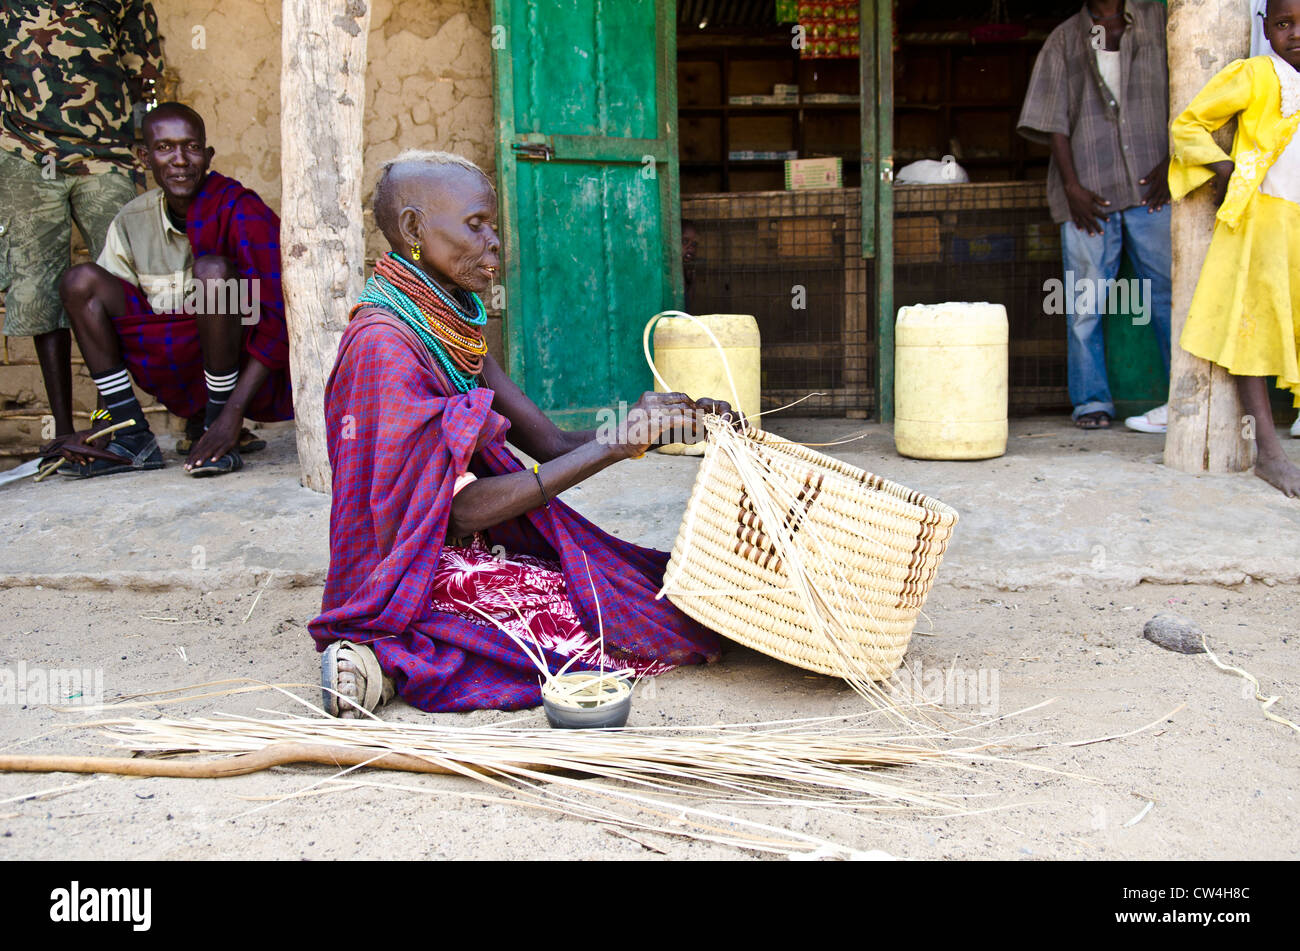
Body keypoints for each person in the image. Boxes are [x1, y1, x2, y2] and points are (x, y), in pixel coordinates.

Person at [310, 150, 729, 715]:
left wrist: (643, 421)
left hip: (466, 542)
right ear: (413, 228)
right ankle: (380, 657)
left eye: (494, 227)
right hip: (406, 568)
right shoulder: (384, 347)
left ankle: (393, 658)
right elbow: (457, 513)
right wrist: (613, 444)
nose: (495, 243)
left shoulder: (448, 320)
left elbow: (550, 446)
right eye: (475, 225)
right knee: (600, 629)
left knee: (629, 587)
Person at [54, 102, 293, 477]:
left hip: (238, 369)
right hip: (168, 370)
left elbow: (278, 318)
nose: (180, 159)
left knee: (213, 271)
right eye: (165, 148)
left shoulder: (239, 209)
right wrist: (106, 418)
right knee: (78, 281)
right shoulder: (132, 221)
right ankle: (133, 436)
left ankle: (215, 427)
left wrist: (230, 415)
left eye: (192, 147)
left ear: (208, 155)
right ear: (144, 156)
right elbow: (103, 325)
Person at [0, 2, 161, 450]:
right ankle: (64, 433)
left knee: (129, 283)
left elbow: (143, 64)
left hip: (107, 153)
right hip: (24, 151)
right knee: (37, 289)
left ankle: (116, 421)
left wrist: (142, 138)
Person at [1017, 0, 1173, 432]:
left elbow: (1192, 97)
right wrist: (1071, 189)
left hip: (1153, 187)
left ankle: (1187, 400)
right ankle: (1091, 403)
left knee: (1171, 299)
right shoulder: (1064, 40)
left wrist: (1174, 162)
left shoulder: (1161, 23)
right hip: (1090, 195)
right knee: (1085, 305)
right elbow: (1054, 123)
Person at [1168, 0, 1300, 496]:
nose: (1295, 34)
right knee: (1252, 331)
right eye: (1284, 24)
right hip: (1263, 224)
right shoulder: (1256, 75)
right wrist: (1225, 169)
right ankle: (1269, 452)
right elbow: (1189, 125)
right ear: (1264, 28)